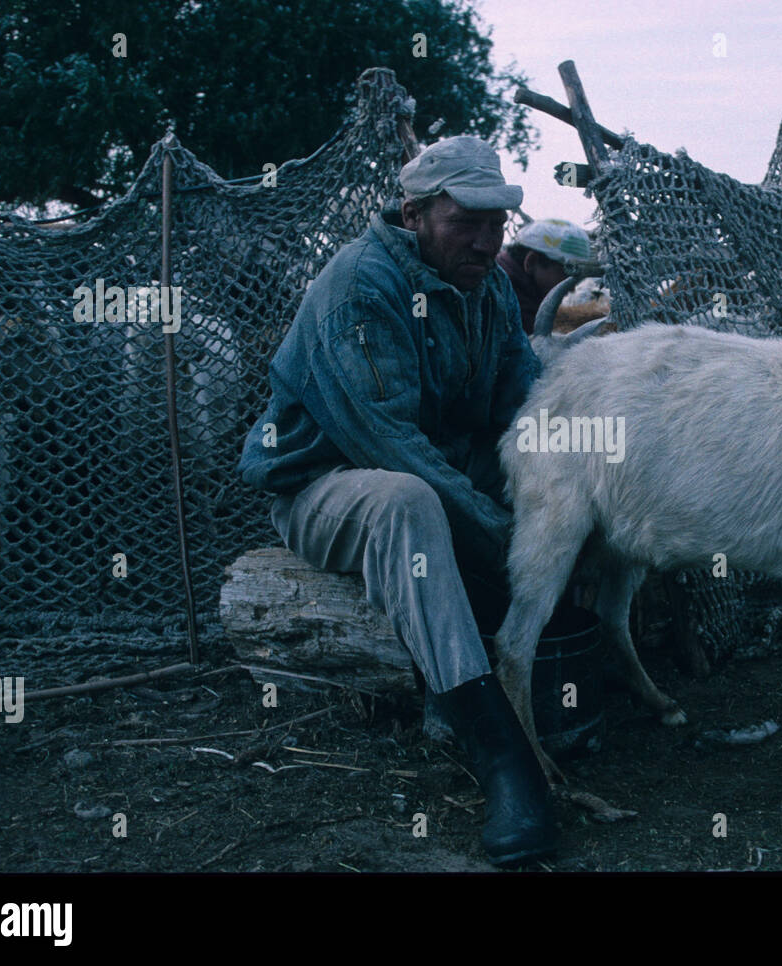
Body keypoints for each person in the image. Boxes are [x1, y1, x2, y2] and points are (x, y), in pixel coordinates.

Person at [237, 136, 555, 867]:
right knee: (406, 502)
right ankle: (501, 756)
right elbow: (389, 445)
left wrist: (567, 497)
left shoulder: (490, 287)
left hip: (438, 460)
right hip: (327, 480)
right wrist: (510, 541)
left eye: (496, 224)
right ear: (414, 214)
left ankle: (568, 657)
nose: (484, 239)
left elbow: (521, 406)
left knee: (561, 464)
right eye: (464, 221)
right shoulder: (361, 288)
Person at [497, 218, 608, 334]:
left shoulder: (520, 294)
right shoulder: (505, 303)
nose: (571, 289)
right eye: (565, 274)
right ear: (531, 262)